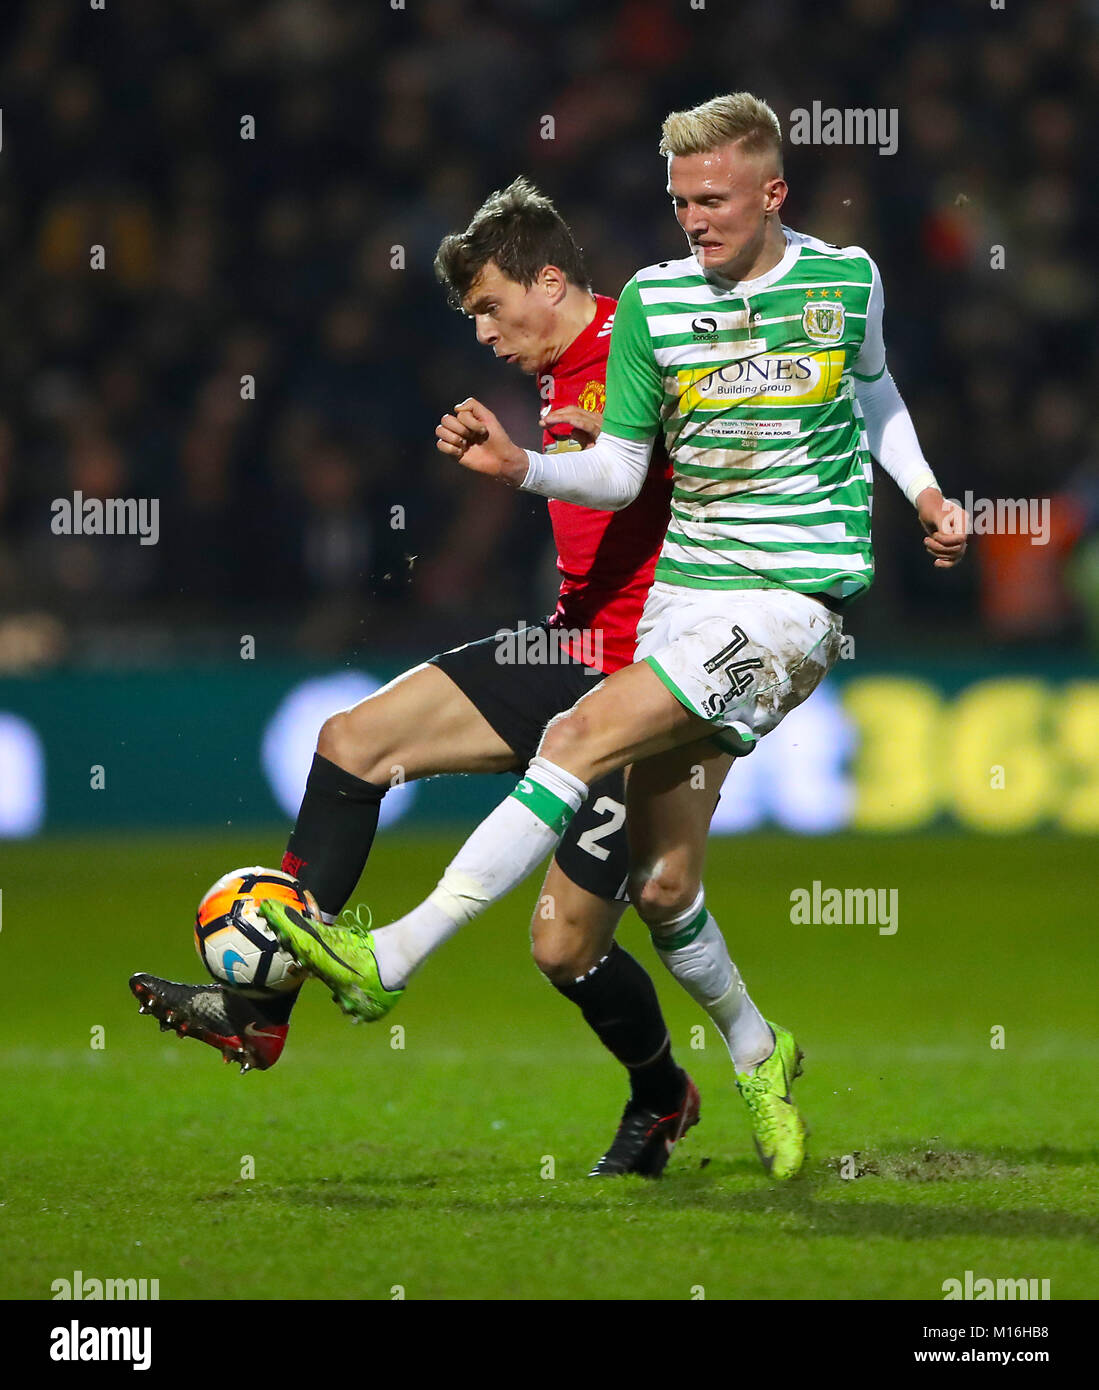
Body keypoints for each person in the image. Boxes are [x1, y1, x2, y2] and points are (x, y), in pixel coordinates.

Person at [261, 93, 968, 1181]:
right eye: (680, 199)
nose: (693, 218)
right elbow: (622, 472)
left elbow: (873, 392)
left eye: (715, 198)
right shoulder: (653, 302)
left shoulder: (846, 280)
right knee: (666, 889)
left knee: (576, 737)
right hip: (683, 605)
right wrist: (525, 467)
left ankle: (386, 957)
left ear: (772, 192)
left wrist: (922, 494)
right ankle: (755, 1048)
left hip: (787, 607)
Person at [131, 178, 744, 1177]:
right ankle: (258, 1014)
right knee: (350, 741)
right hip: (570, 648)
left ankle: (661, 1092)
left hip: (654, 690)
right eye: (474, 320)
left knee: (562, 949)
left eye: (493, 310)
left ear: (551, 281)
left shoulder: (642, 336)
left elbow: (678, 426)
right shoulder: (554, 367)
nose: (486, 337)